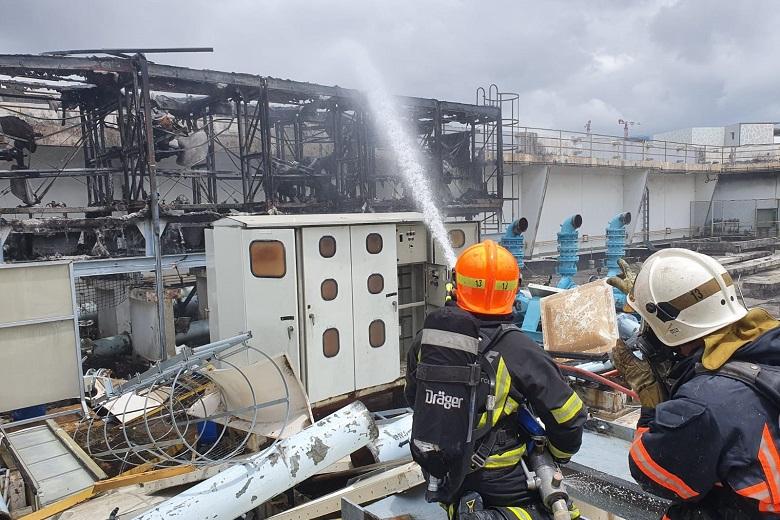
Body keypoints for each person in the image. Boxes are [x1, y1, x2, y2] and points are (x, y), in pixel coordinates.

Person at [405, 240, 587, 520]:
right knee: (562, 513)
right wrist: (555, 456)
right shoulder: (519, 349)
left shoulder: (427, 342)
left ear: (457, 285)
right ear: (512, 290)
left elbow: (413, 397)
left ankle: (461, 507)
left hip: (442, 469)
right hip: (500, 478)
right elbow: (570, 417)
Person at [608, 248, 780, 519]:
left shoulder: (704, 404)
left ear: (669, 330)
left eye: (649, 325)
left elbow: (652, 472)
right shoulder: (764, 347)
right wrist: (649, 298)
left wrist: (651, 398)